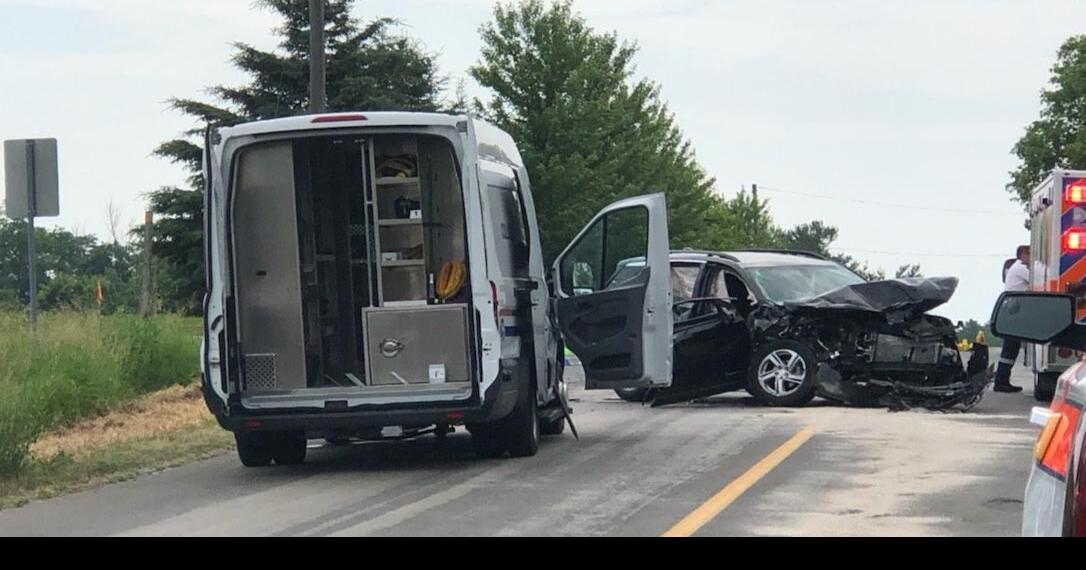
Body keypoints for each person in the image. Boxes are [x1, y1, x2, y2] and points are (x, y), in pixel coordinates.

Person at [993, 245, 1030, 393]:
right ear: (1022, 254)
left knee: (1011, 348)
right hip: (1015, 311)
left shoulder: (1016, 268)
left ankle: (1002, 380)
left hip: (1013, 310)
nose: (1032, 258)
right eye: (1030, 254)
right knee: (1010, 348)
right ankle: (1001, 382)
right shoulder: (1020, 268)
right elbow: (1036, 279)